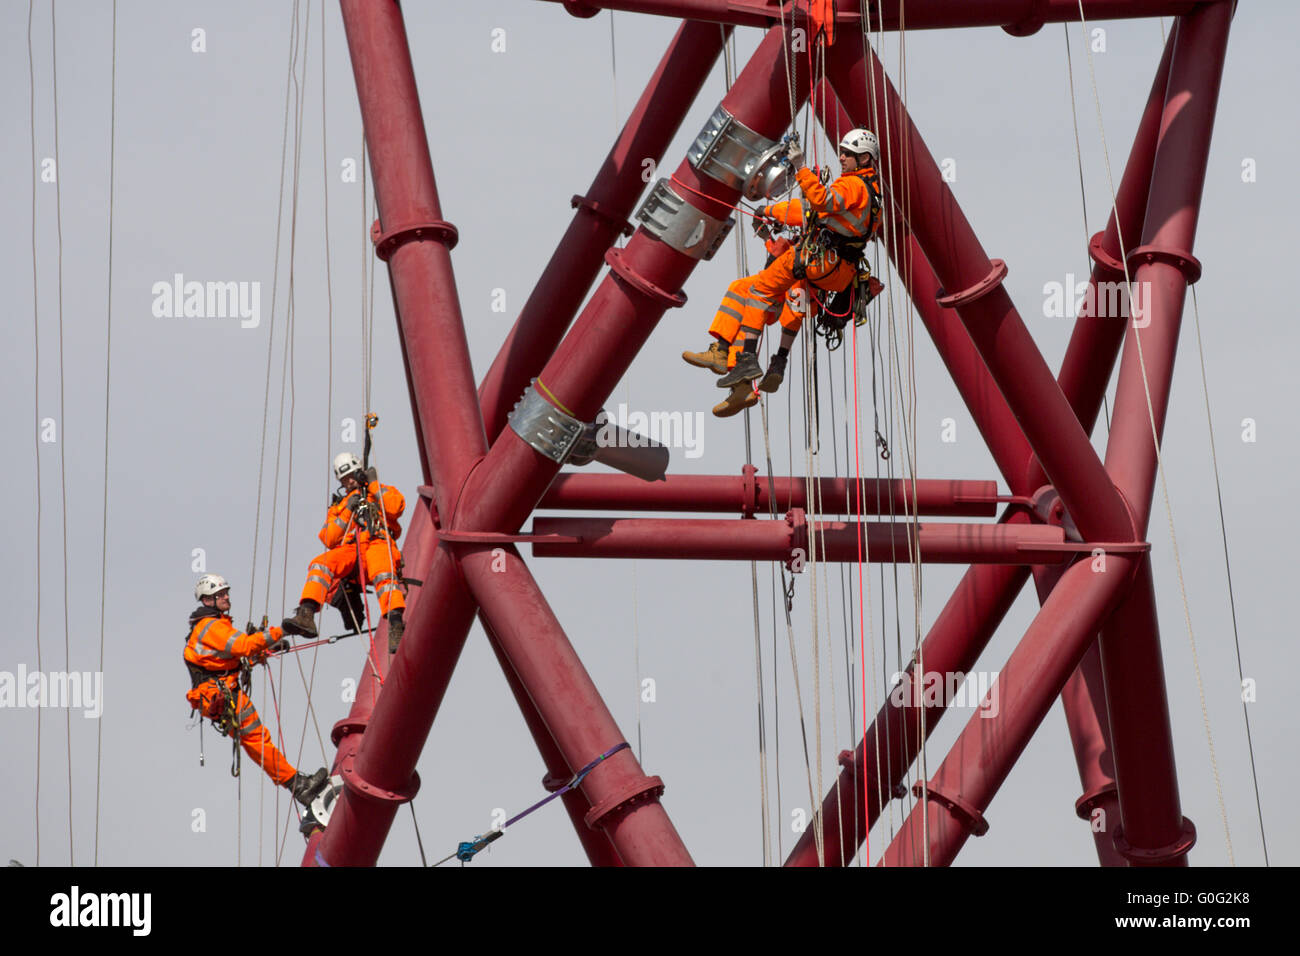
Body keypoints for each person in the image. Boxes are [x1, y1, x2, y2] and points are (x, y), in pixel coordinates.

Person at [683, 128, 884, 417]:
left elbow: (819, 204)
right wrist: (773, 216)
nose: (841, 157)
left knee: (759, 293)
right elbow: (814, 213)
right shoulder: (873, 194)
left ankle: (747, 360)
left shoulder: (851, 186)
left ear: (863, 158)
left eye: (847, 154)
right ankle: (730, 357)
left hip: (818, 262)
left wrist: (800, 167)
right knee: (745, 291)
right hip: (835, 271)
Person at [184, 573, 327, 803]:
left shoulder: (215, 625)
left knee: (258, 740)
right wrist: (282, 630)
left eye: (226, 592)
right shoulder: (209, 627)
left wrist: (265, 647)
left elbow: (226, 660)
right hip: (220, 695)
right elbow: (243, 646)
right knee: (256, 740)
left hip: (224, 692)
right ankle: (298, 785)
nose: (226, 597)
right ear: (207, 600)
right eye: (220, 594)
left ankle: (297, 784)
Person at [282, 452, 408, 653]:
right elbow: (329, 538)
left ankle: (395, 625)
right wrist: (349, 508)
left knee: (383, 574)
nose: (348, 481)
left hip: (378, 542)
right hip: (352, 550)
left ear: (359, 472)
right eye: (344, 478)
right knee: (320, 564)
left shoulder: (379, 491)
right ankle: (306, 613)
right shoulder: (339, 506)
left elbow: (396, 508)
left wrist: (373, 484)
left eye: (351, 475)